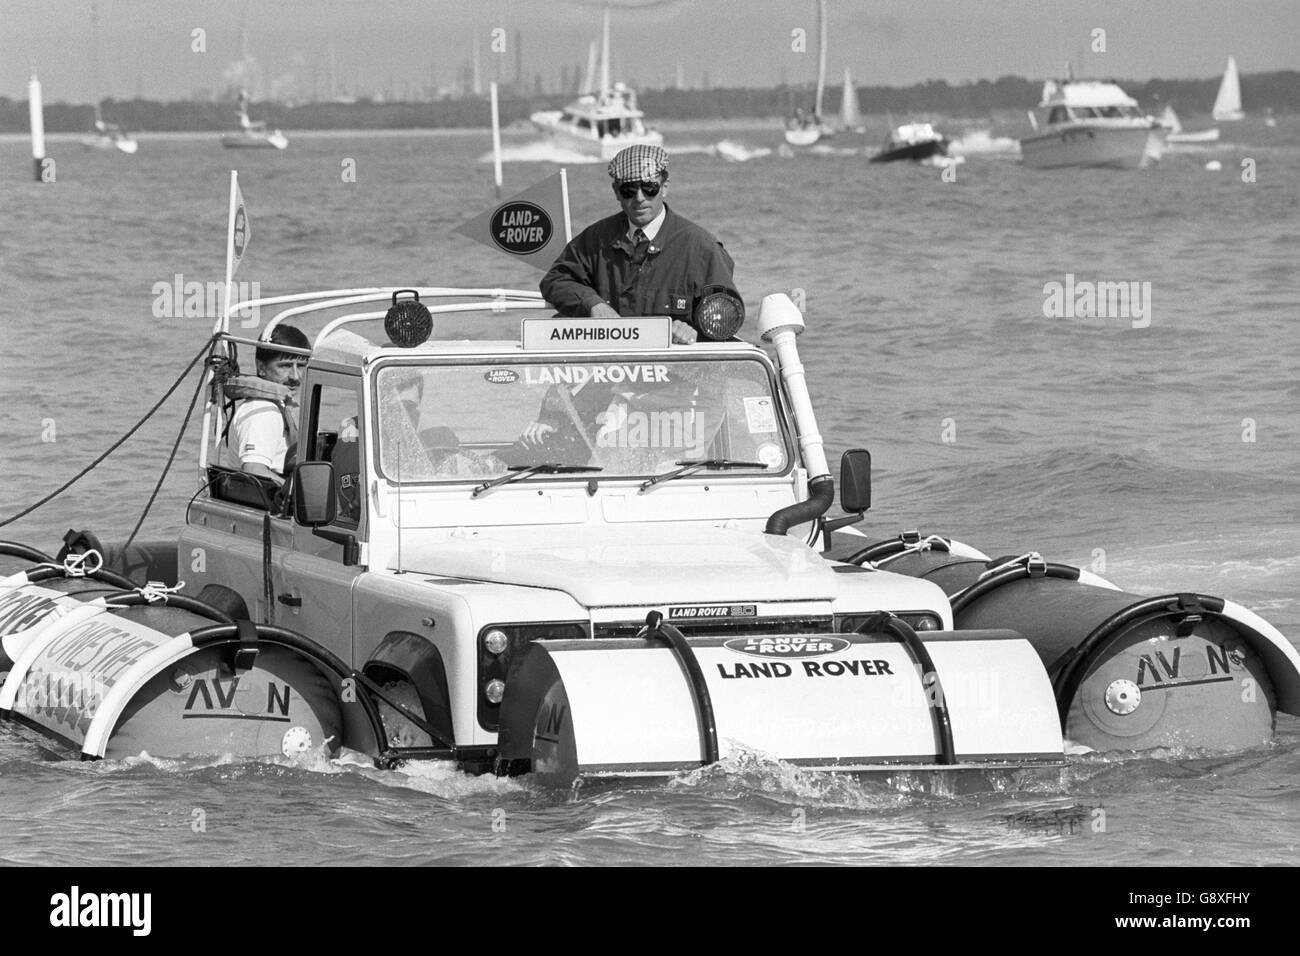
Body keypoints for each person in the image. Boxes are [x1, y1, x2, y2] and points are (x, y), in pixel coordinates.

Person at [539, 144, 737, 347]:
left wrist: (694, 331)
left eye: (649, 188)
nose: (640, 198)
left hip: (676, 369)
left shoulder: (701, 246)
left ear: (665, 186)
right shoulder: (595, 238)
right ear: (616, 192)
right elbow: (555, 280)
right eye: (629, 191)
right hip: (607, 367)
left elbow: (727, 314)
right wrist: (593, 304)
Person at [226, 324, 310, 486]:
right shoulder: (262, 411)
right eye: (285, 366)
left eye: (300, 366)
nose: (295, 376)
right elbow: (254, 470)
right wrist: (302, 496)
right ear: (261, 367)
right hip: (267, 503)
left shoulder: (281, 406)